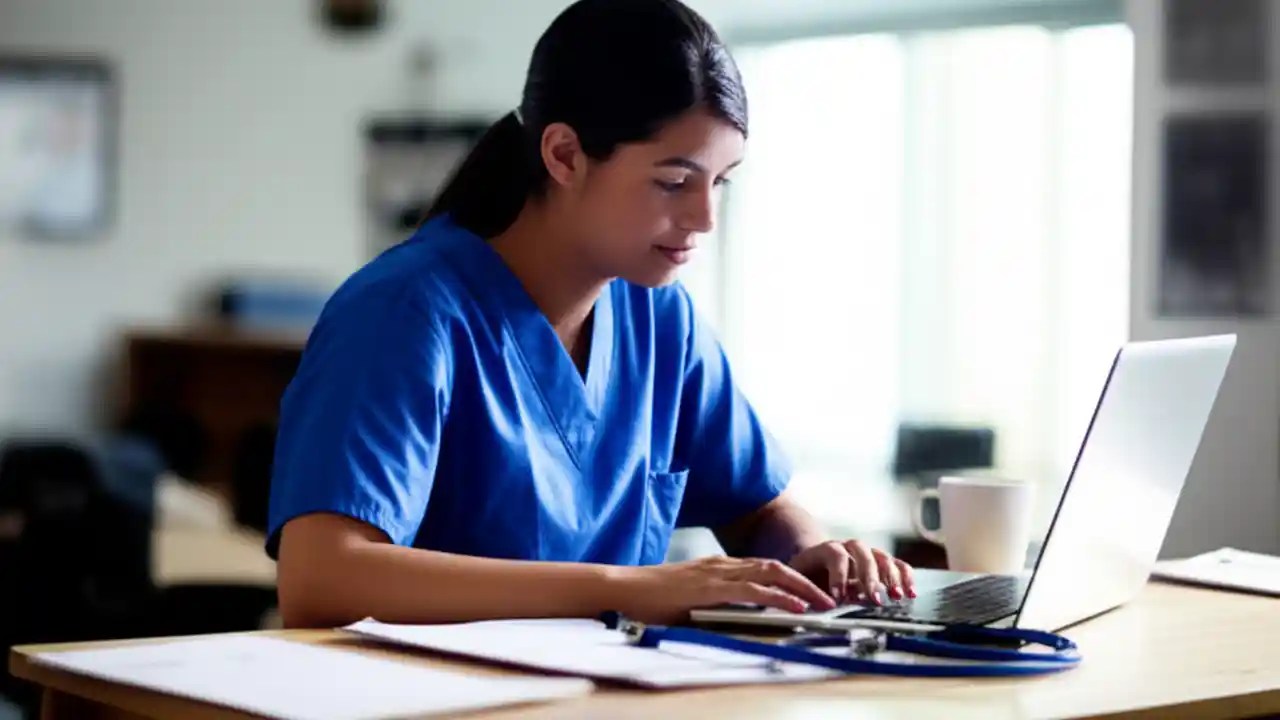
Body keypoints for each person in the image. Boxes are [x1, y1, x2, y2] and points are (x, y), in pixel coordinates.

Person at [267, 0, 916, 629]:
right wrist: (627, 590)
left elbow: (758, 506)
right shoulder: (404, 312)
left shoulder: (661, 319)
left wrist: (810, 556)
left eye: (720, 181)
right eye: (673, 181)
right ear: (565, 155)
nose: (705, 219)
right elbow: (321, 580)